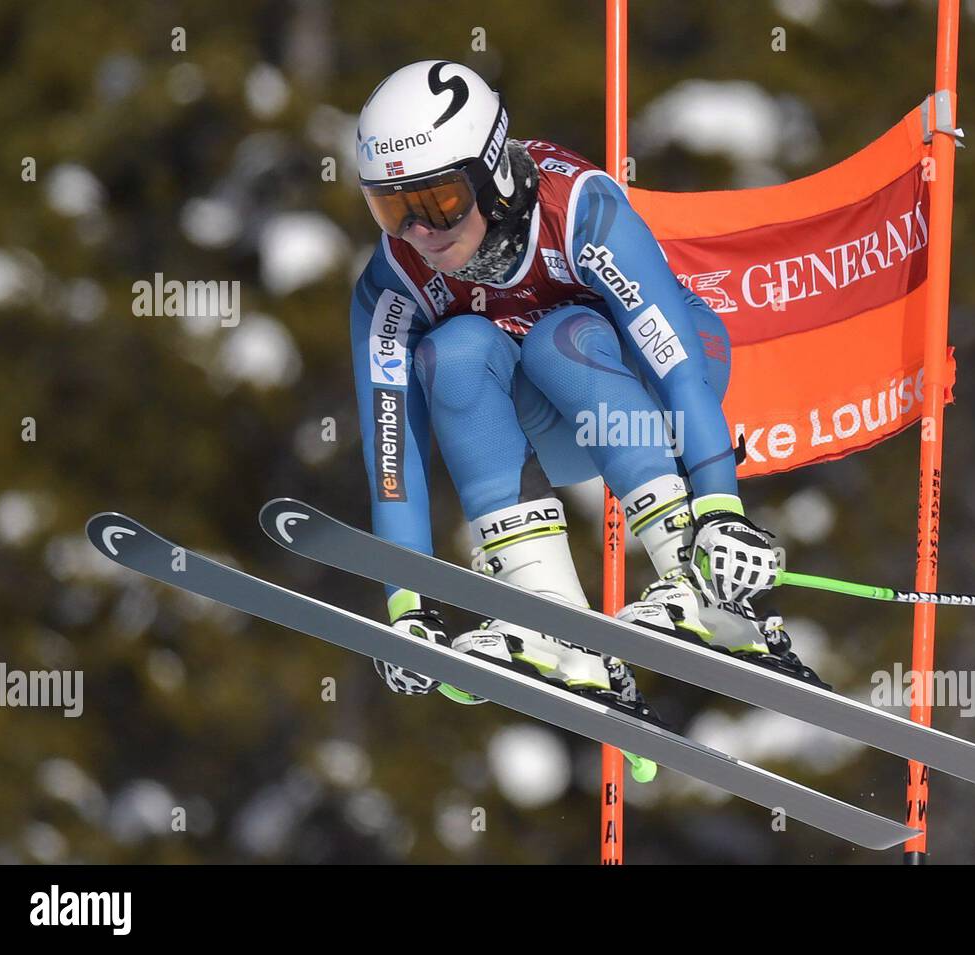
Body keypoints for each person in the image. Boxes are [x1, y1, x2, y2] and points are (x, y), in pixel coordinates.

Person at [348, 60, 823, 717]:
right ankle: (547, 616)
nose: (421, 232)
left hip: (667, 382)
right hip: (552, 430)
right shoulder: (392, 279)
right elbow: (391, 450)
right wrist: (407, 600)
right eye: (393, 208)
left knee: (559, 337)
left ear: (491, 173)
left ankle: (701, 582)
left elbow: (677, 363)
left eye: (439, 202)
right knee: (453, 352)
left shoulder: (577, 209)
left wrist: (720, 508)